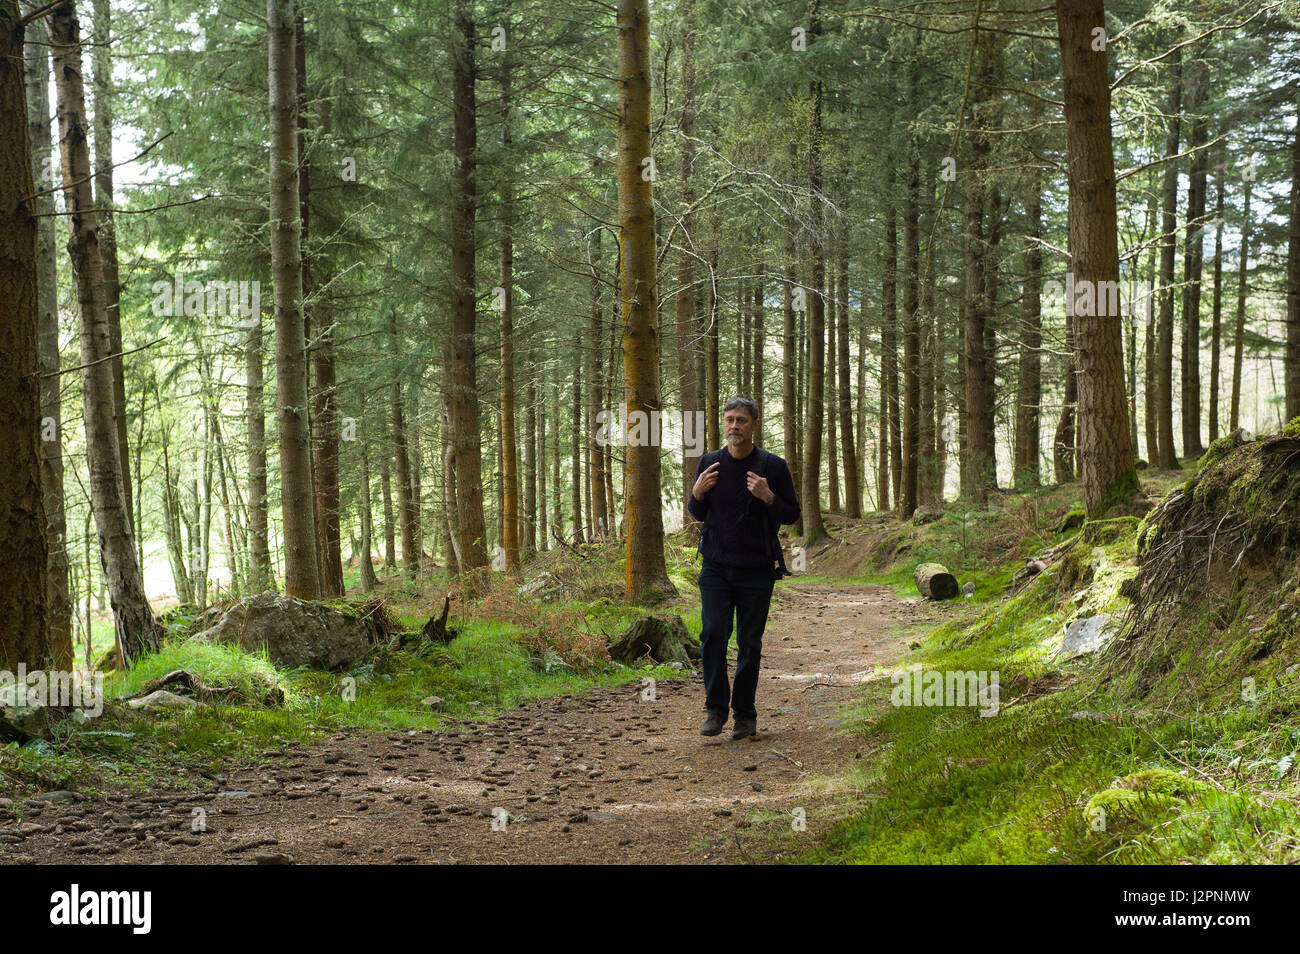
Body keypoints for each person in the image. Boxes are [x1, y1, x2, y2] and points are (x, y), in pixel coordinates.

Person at [687, 396, 800, 740]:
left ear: (754, 425)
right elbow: (698, 513)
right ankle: (715, 711)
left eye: (741, 420)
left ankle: (745, 715)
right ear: (723, 423)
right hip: (716, 568)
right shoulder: (710, 463)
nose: (734, 426)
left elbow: (791, 515)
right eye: (729, 420)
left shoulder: (773, 466)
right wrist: (696, 492)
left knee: (750, 643)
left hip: (757, 570)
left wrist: (768, 496)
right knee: (713, 635)